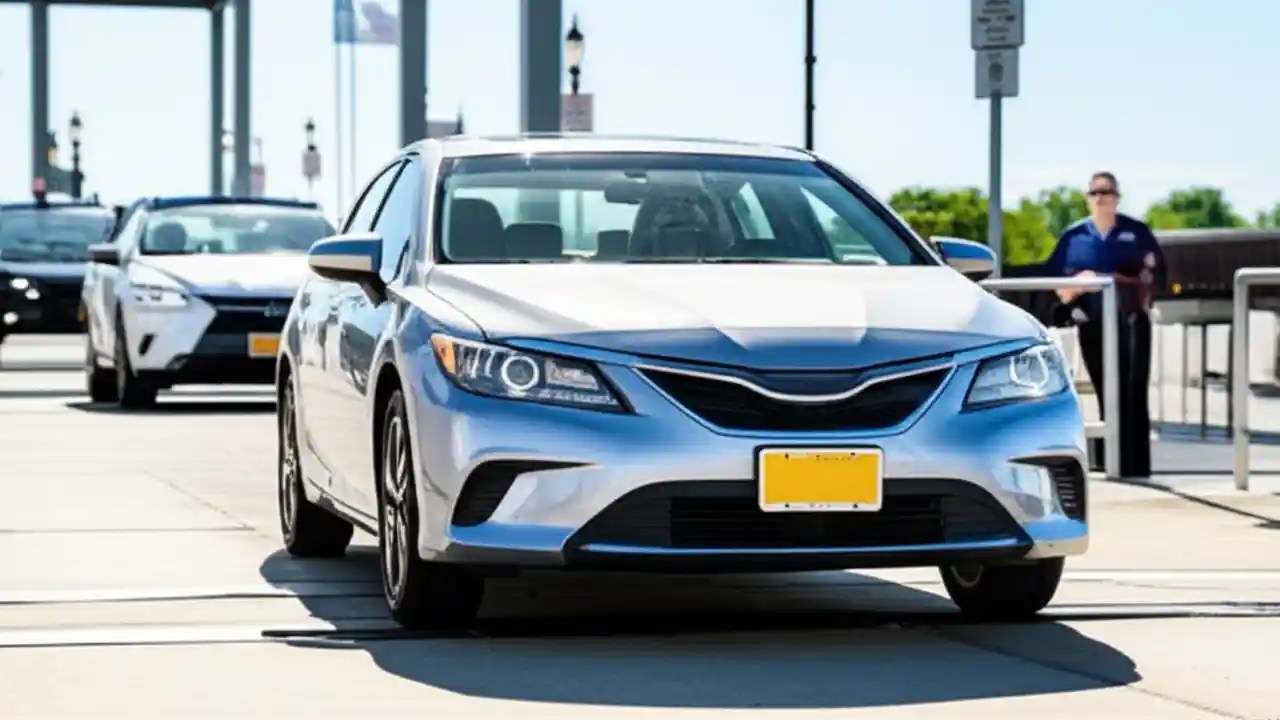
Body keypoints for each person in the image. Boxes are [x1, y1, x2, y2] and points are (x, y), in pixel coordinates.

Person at [1042, 171, 1166, 478]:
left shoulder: (1135, 233)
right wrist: (1075, 287)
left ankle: (1135, 466)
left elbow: (1157, 274)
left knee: (1133, 392)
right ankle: (1105, 461)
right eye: (1094, 193)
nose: (1100, 198)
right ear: (1087, 198)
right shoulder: (1074, 237)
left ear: (1117, 197)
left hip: (1131, 322)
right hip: (1093, 323)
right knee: (1104, 390)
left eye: (1106, 192)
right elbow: (1055, 282)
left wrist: (1125, 283)